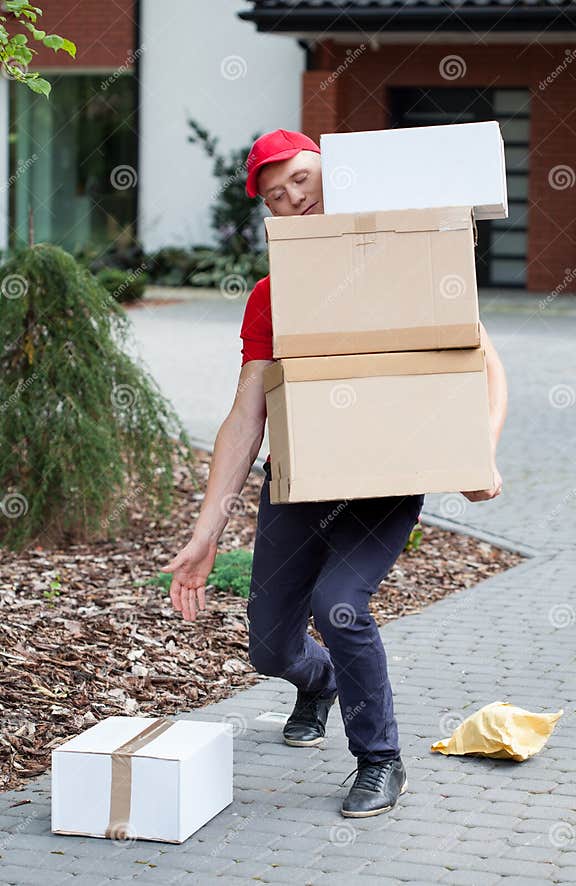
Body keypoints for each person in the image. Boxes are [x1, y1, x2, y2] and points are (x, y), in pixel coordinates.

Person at [161, 129, 507, 818]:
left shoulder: (404, 256)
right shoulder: (271, 294)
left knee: (340, 605)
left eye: (300, 176)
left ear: (333, 168)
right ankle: (316, 682)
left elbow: (484, 365)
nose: (294, 196)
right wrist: (205, 533)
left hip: (384, 481)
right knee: (267, 648)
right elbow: (244, 417)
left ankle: (380, 760)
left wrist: (479, 453)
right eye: (276, 195)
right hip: (299, 480)